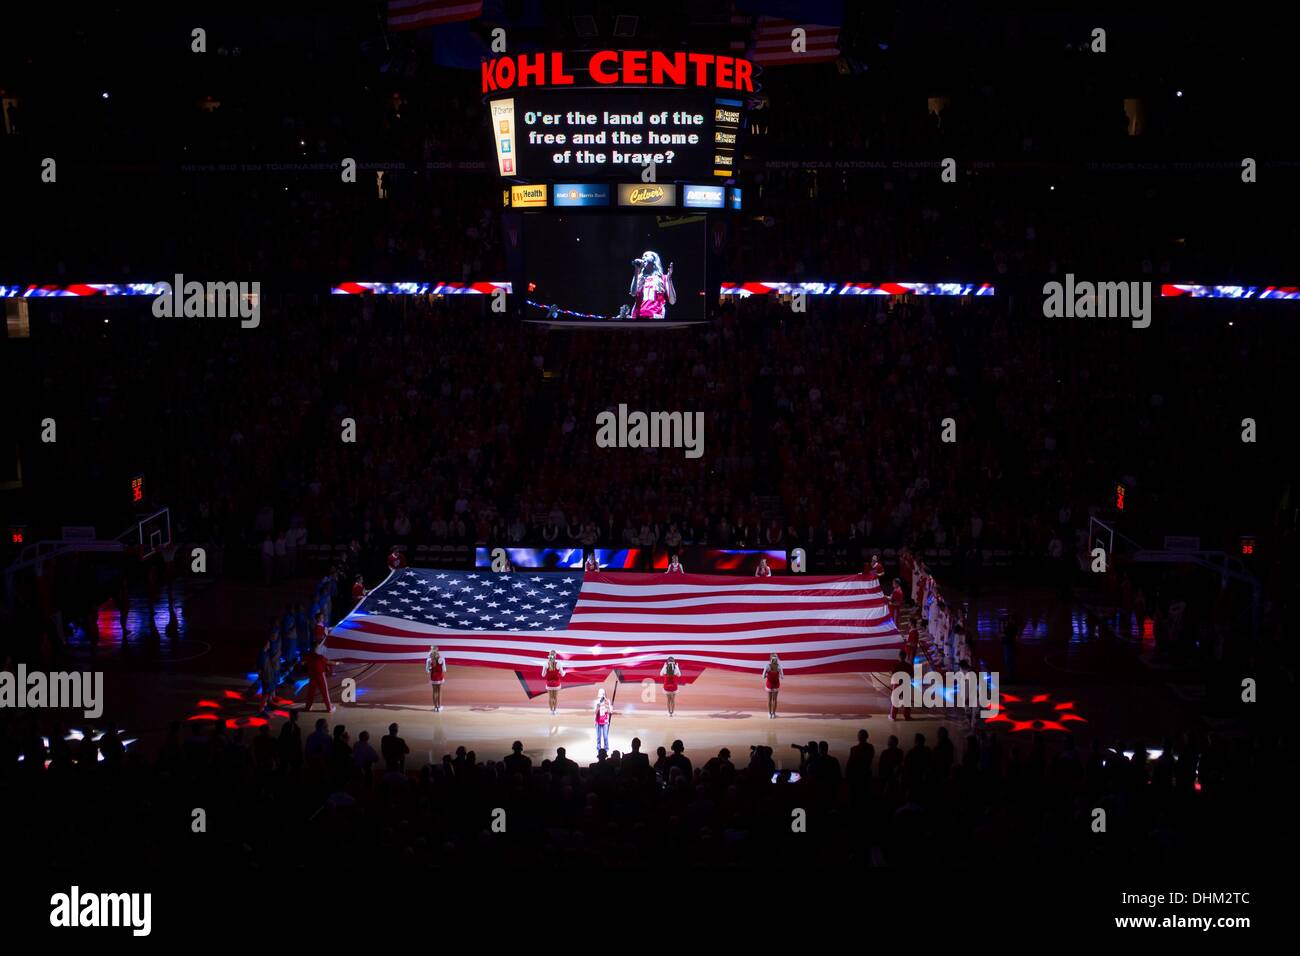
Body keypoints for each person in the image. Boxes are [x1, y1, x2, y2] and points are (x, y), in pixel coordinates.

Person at [629, 250, 676, 320]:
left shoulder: (663, 278)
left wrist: (669, 279)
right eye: (642, 256)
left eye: (646, 255)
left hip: (655, 316)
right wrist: (636, 271)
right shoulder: (639, 277)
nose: (643, 258)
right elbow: (633, 293)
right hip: (637, 317)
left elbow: (672, 301)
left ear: (654, 260)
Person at [301, 640, 335, 713]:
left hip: (312, 675)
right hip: (320, 676)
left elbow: (303, 661)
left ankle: (308, 707)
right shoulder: (320, 656)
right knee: (324, 692)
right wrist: (338, 663)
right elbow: (328, 662)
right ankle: (329, 708)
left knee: (311, 692)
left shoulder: (309, 655)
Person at [888, 647, 911, 721]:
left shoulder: (896, 665)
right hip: (906, 684)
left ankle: (893, 716)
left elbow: (892, 674)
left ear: (899, 656)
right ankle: (907, 716)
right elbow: (912, 675)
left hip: (897, 684)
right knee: (906, 701)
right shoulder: (909, 666)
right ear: (905, 656)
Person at [542, 650, 564, 715]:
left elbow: (543, 675)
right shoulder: (559, 663)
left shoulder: (546, 664)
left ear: (549, 656)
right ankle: (555, 710)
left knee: (550, 697)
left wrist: (547, 671)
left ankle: (551, 711)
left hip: (549, 683)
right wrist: (563, 672)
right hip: (556, 683)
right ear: (555, 656)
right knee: (555, 697)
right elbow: (562, 674)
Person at [425, 645, 446, 712]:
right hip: (440, 677)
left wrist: (431, 669)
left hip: (433, 677)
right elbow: (444, 669)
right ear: (437, 651)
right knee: (439, 691)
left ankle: (435, 707)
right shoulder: (441, 659)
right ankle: (439, 707)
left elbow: (427, 670)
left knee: (434, 692)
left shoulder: (429, 660)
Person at [762, 653, 783, 718]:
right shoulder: (778, 666)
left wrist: (767, 675)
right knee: (773, 699)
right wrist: (776, 674)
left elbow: (763, 676)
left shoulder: (768, 666)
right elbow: (782, 677)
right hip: (773, 684)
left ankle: (771, 713)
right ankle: (772, 714)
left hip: (772, 684)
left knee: (771, 699)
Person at [594, 688, 612, 753]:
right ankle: (598, 748)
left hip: (605, 722)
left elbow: (610, 711)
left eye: (603, 695)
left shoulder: (607, 701)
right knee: (598, 736)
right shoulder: (596, 702)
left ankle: (606, 748)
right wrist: (598, 707)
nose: (601, 696)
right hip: (598, 721)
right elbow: (595, 712)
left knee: (605, 736)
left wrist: (608, 706)